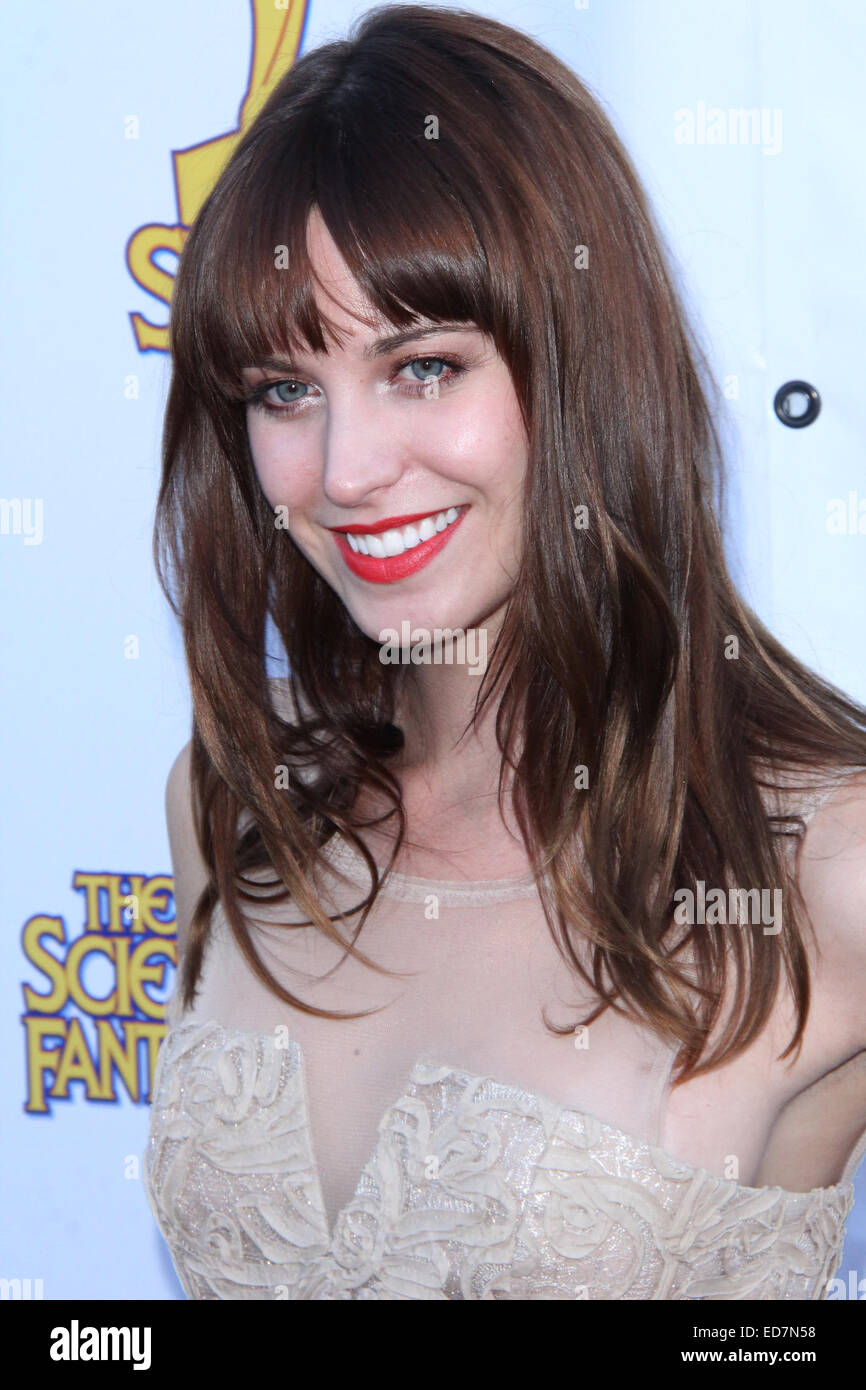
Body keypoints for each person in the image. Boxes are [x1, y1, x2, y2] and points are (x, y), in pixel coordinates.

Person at [143, 3, 866, 1300]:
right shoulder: (234, 806)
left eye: (421, 367)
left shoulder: (827, 860)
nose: (346, 470)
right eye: (284, 390)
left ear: (580, 363)